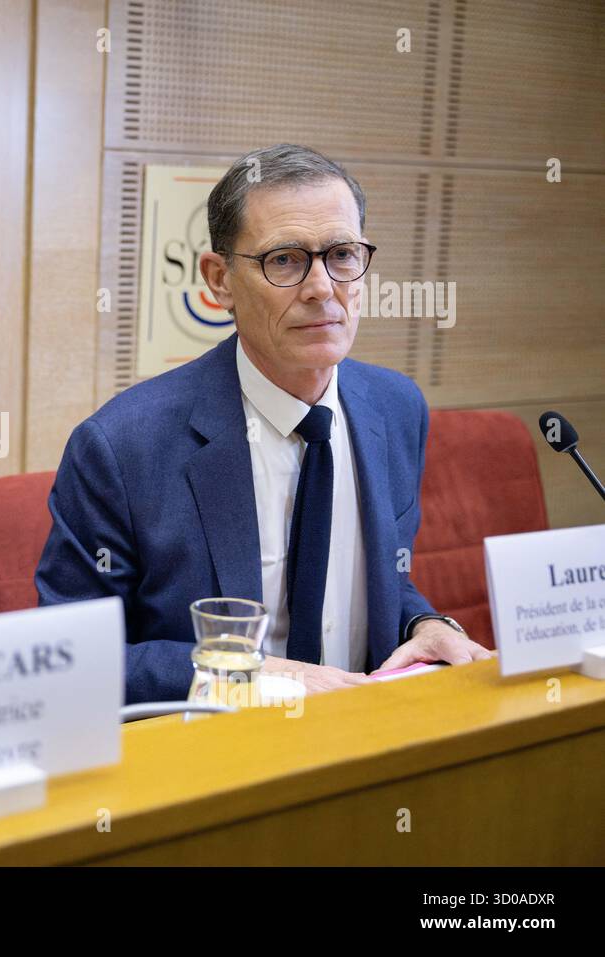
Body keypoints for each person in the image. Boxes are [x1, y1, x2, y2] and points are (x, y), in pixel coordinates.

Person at [36, 144, 492, 703]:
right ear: (219, 280)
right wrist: (251, 674)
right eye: (284, 260)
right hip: (212, 759)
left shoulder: (397, 409)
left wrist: (423, 625)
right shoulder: (121, 446)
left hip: (368, 742)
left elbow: (373, 582)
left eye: (343, 255)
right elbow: (69, 655)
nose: (323, 287)